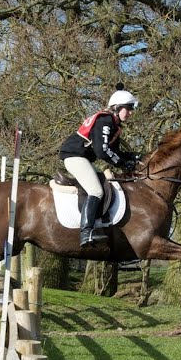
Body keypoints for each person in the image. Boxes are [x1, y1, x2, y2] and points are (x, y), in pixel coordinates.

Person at [59, 84, 141, 246]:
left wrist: (135, 157)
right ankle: (86, 232)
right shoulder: (105, 121)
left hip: (82, 158)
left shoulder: (113, 124)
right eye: (128, 108)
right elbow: (102, 151)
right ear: (117, 107)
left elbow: (115, 152)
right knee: (96, 190)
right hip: (75, 157)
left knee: (105, 185)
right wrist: (124, 164)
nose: (131, 112)